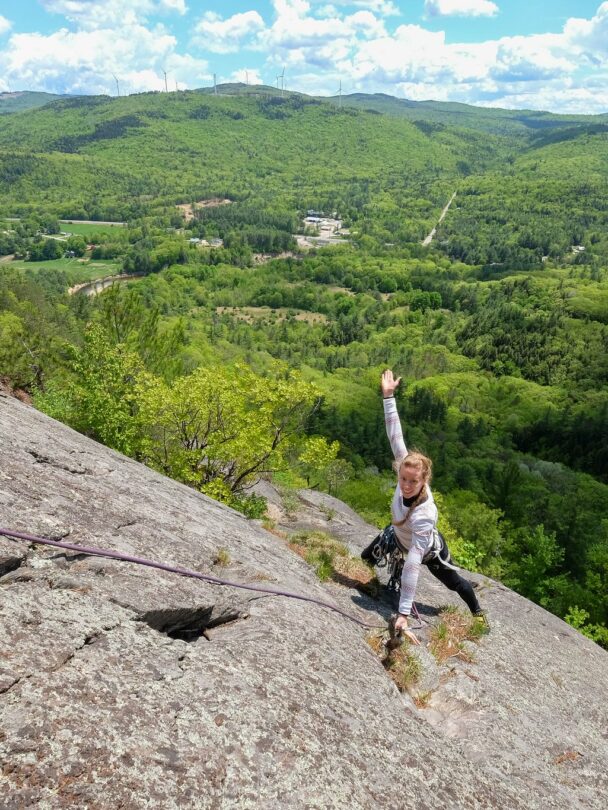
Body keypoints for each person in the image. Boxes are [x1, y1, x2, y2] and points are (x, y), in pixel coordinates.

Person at [362, 369, 487, 644]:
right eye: (403, 478)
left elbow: (413, 564)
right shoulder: (404, 468)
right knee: (365, 558)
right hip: (396, 536)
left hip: (428, 550)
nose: (406, 485)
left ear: (424, 480)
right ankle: (369, 575)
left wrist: (404, 612)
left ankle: (478, 612)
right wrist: (388, 396)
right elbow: (395, 436)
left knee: (455, 583)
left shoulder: (424, 514)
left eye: (413, 481)